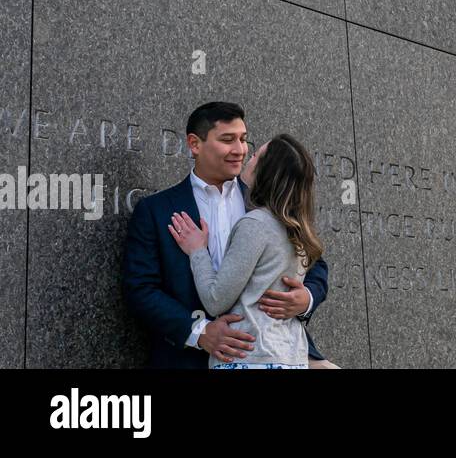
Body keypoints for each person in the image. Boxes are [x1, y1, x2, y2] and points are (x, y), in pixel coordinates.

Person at [123, 102, 334, 368]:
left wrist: (305, 299)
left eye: (244, 140)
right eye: (227, 140)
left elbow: (316, 265)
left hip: (271, 354)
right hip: (187, 360)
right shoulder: (155, 210)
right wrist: (200, 333)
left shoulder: (268, 203)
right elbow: (140, 289)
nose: (240, 150)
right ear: (195, 144)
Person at [168, 132, 323, 369]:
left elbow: (216, 300)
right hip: (290, 356)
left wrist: (197, 250)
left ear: (266, 172)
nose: (246, 157)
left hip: (250, 356)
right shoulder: (300, 230)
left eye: (256, 156)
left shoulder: (255, 224)